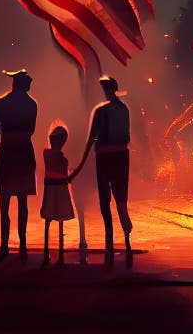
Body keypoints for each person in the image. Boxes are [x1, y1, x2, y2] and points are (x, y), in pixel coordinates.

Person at [70, 75, 133, 267]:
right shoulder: (124, 109)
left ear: (105, 90)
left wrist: (80, 165)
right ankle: (127, 237)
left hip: (105, 157)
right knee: (121, 199)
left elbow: (91, 140)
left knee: (105, 199)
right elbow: (127, 136)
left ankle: (109, 237)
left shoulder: (101, 110)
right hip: (122, 156)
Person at [0, 69, 38, 261]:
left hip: (8, 152)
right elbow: (31, 129)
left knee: (4, 202)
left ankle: (5, 245)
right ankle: (22, 245)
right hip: (23, 151)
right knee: (22, 202)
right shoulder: (32, 105)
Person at [40, 122, 75, 266]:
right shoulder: (55, 156)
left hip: (55, 188)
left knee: (53, 221)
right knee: (55, 220)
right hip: (57, 189)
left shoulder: (49, 154)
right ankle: (55, 253)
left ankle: (53, 253)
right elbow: (62, 173)